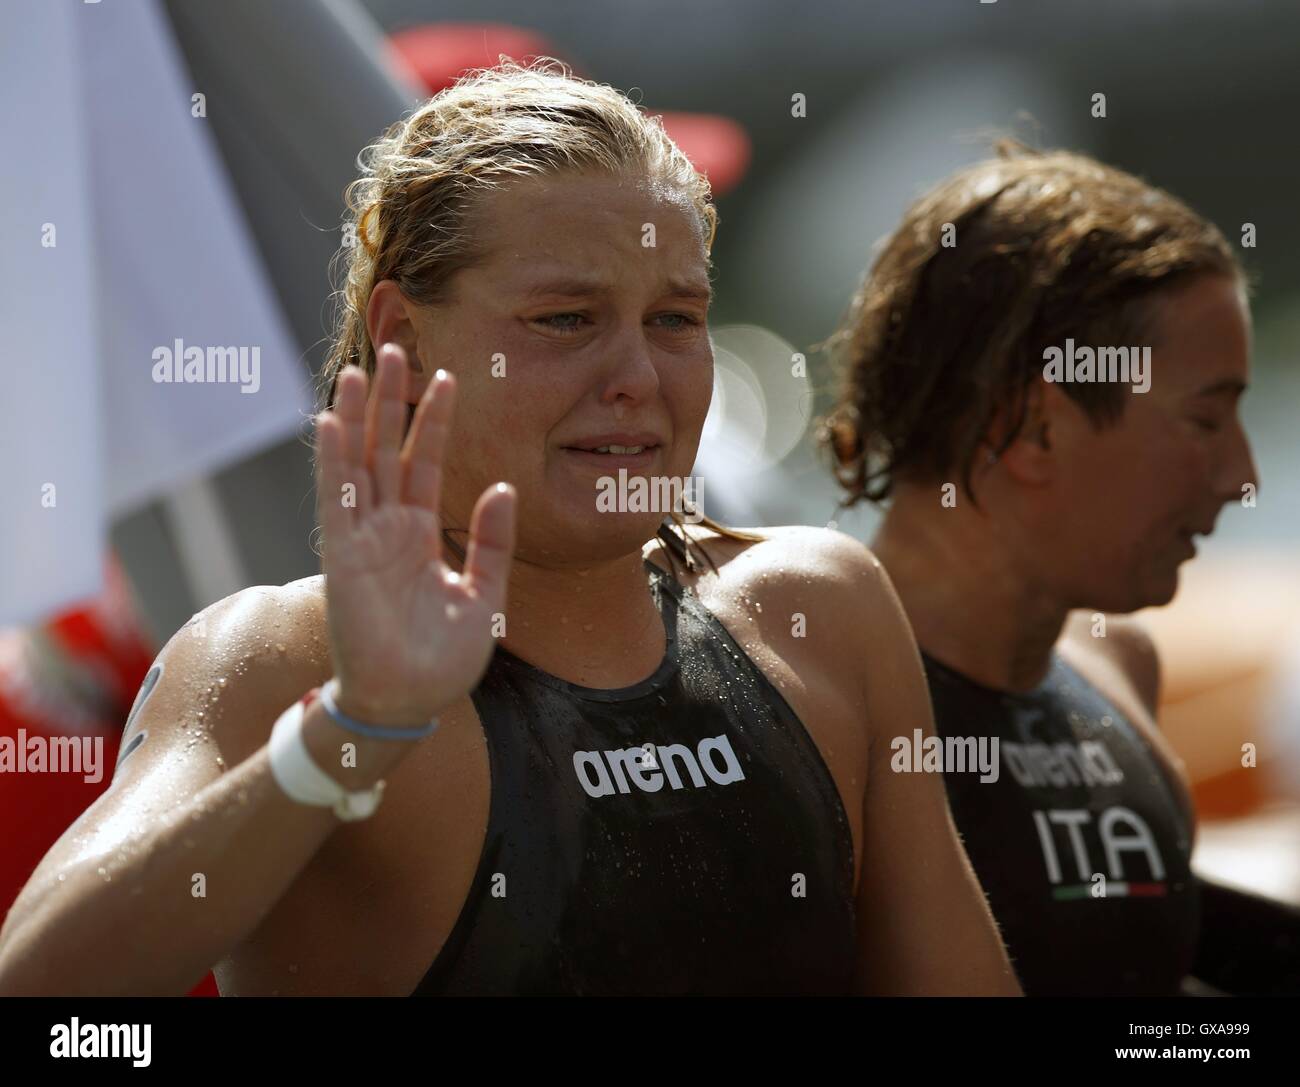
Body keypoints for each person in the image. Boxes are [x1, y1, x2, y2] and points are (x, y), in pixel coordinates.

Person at [0, 63, 1018, 997]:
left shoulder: (818, 613)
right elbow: (46, 989)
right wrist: (354, 731)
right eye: (565, 319)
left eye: (675, 319)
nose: (637, 378)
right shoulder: (280, 659)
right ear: (402, 336)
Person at [821, 141, 1300, 995]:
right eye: (1204, 421)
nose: (1243, 477)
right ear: (1035, 430)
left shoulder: (1115, 668)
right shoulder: (805, 709)